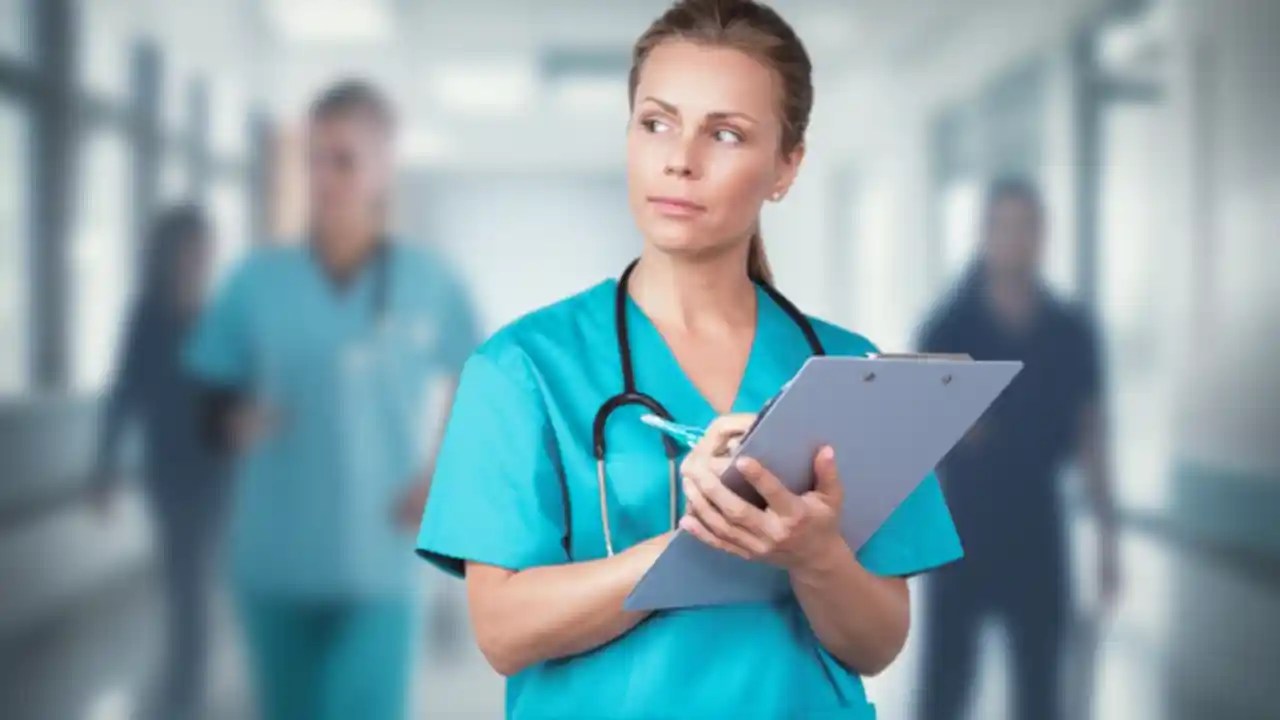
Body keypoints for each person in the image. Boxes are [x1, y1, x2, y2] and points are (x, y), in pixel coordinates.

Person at [415, 2, 963, 718]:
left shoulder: (850, 369)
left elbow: (879, 642)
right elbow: (504, 630)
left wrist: (814, 555)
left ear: (786, 167)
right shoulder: (520, 369)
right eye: (657, 123)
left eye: (726, 134)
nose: (680, 159)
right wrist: (696, 542)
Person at [184, 80, 479, 720]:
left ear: (383, 166)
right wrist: (232, 421)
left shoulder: (427, 281)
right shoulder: (257, 282)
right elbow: (206, 396)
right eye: (314, 159)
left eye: (343, 160)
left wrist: (441, 471)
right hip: (276, 554)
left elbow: (478, 377)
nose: (324, 178)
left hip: (378, 555)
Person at [916, 178, 1120, 720]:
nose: (1016, 239)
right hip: (964, 526)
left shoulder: (1070, 331)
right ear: (985, 234)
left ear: (1043, 235)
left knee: (1041, 687)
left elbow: (1093, 434)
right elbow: (915, 436)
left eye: (1028, 227)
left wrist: (1108, 540)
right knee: (944, 688)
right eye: (1004, 226)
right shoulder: (947, 326)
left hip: (1038, 524)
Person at [92, 204, 227, 720]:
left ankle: (193, 678)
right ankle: (185, 683)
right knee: (184, 579)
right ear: (170, 252)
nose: (200, 258)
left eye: (205, 249)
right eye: (193, 247)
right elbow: (123, 393)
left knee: (207, 578)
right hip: (169, 470)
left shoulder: (217, 316)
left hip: (220, 469)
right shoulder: (148, 317)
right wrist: (104, 467)